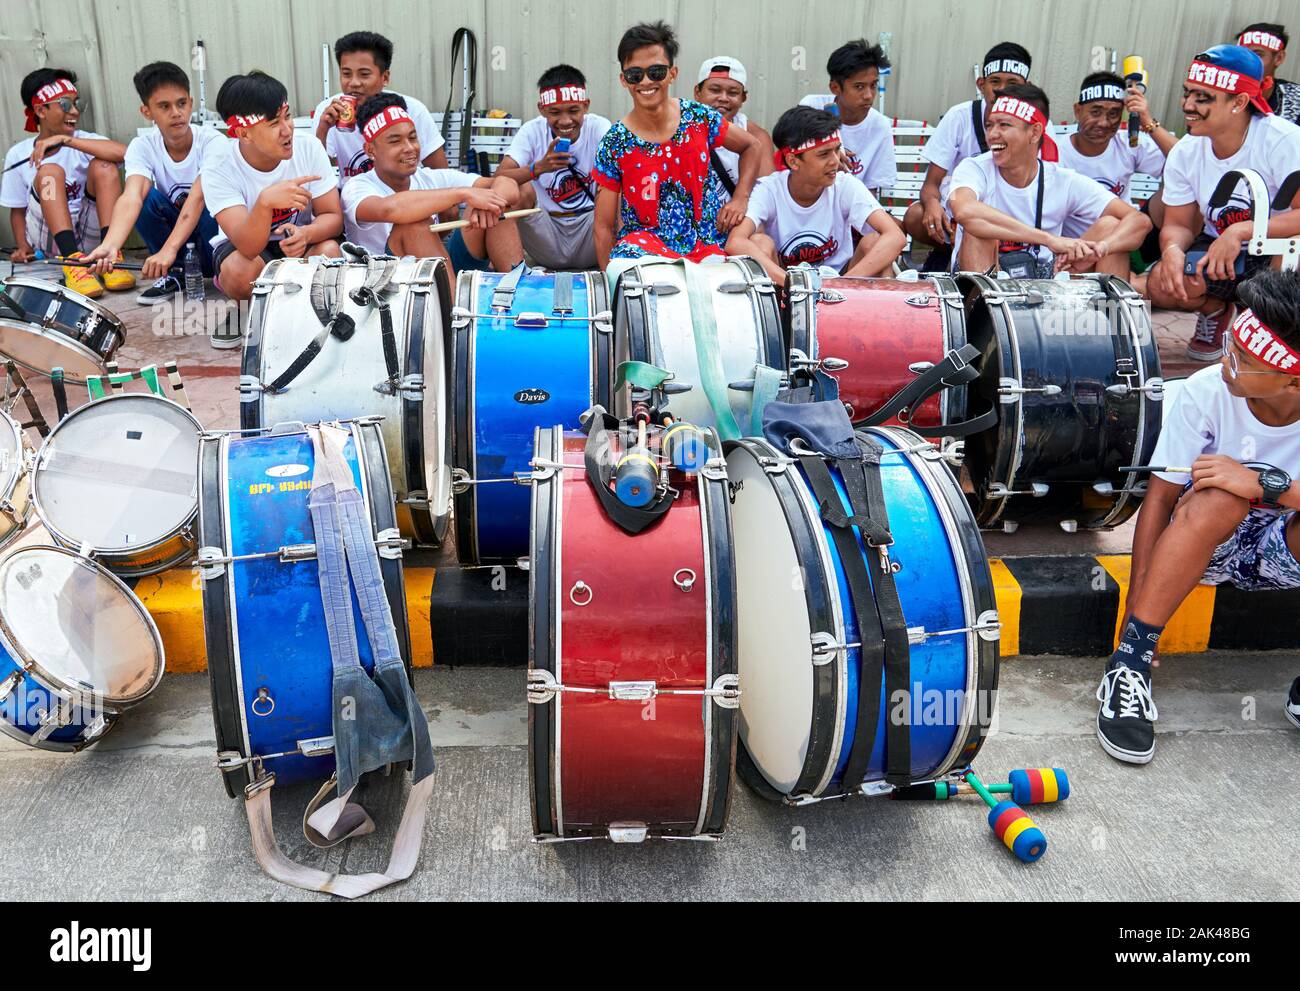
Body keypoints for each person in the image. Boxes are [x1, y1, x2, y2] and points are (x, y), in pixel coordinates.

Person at [1095, 269, 1300, 764]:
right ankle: (1129, 668)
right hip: (1204, 542)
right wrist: (1132, 617)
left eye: (1242, 359)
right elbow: (1159, 501)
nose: (1225, 363)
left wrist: (1267, 484)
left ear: (1291, 379)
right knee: (1219, 494)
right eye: (1229, 345)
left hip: (1280, 549)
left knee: (1237, 484)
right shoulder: (1203, 392)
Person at [1143, 45, 1300, 361]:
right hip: (1219, 248)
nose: (1188, 105)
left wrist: (1242, 231)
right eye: (1187, 94)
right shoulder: (1186, 152)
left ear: (1239, 102)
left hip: (1278, 246)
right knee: (1162, 283)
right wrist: (1172, 251)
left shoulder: (1282, 140)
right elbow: (1178, 224)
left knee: (1287, 271)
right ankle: (1216, 312)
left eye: (1203, 98)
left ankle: (1266, 330)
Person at [593, 21, 762, 268]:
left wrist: (740, 198)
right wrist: (612, 291)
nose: (646, 81)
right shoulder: (615, 142)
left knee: (758, 252)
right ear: (623, 80)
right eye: (635, 75)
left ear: (673, 73)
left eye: (657, 72)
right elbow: (603, 226)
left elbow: (752, 146)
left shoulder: (699, 117)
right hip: (644, 249)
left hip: (710, 241)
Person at [946, 85, 1152, 276]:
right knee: (980, 230)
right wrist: (1048, 240)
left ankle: (1108, 314)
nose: (992, 134)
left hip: (1043, 279)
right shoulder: (973, 168)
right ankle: (986, 315)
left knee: (1111, 226)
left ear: (1035, 132)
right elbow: (965, 212)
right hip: (981, 279)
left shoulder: (1062, 179)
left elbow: (1139, 221)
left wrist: (1100, 249)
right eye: (990, 125)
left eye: (1004, 125)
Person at [83, 61, 223, 304]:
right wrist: (110, 246)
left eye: (181, 103)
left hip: (213, 240)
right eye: (164, 106)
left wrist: (166, 251)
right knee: (145, 198)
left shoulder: (213, 142)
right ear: (146, 111)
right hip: (181, 244)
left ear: (190, 102)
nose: (176, 113)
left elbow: (198, 199)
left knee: (210, 200)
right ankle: (177, 274)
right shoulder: (142, 146)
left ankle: (223, 269)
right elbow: (131, 197)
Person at [200, 71, 343, 302]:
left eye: (287, 116)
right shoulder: (218, 166)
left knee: (329, 252)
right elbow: (247, 247)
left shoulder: (309, 148)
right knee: (239, 271)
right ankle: (247, 314)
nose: (287, 130)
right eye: (274, 123)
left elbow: (333, 217)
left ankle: (304, 314)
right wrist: (265, 202)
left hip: (301, 244)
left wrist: (306, 234)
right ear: (244, 134)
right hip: (248, 250)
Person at [342, 94, 522, 275]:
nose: (410, 148)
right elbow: (391, 209)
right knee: (413, 224)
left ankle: (519, 297)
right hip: (384, 281)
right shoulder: (356, 187)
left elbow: (507, 183)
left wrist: (491, 202)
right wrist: (464, 194)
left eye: (412, 138)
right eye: (395, 141)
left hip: (435, 271)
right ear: (370, 150)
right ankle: (449, 304)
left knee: (495, 205)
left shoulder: (430, 177)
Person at [725, 106, 904, 284]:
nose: (835, 161)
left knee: (875, 241)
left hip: (841, 285)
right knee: (759, 242)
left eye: (836, 150)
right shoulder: (769, 189)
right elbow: (736, 242)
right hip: (787, 289)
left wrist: (841, 284)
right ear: (793, 161)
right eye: (824, 154)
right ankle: (775, 312)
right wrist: (793, 284)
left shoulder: (845, 184)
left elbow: (895, 236)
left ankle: (874, 311)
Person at [2, 68, 131, 298]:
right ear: (40, 110)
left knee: (105, 166)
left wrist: (68, 141)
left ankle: (110, 256)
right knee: (50, 171)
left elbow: (126, 154)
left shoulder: (83, 141)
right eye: (64, 105)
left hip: (92, 238)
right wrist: (23, 246)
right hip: (51, 240)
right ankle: (73, 263)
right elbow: (18, 210)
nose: (74, 111)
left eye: (75, 104)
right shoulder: (18, 153)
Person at [904, 42, 1032, 261]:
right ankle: (950, 253)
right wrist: (933, 206)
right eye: (995, 81)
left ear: (1026, 87)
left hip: (1011, 218)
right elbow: (930, 185)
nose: (1002, 90)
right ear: (981, 84)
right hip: (960, 214)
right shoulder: (959, 117)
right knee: (915, 216)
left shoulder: (1037, 123)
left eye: (1012, 83)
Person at [494, 65, 611, 270]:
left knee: (616, 189)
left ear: (585, 106)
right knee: (515, 189)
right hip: (546, 235)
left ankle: (612, 276)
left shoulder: (600, 128)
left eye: (573, 110)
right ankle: (511, 278)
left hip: (592, 232)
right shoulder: (531, 131)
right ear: (542, 109)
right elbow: (500, 177)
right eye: (555, 112)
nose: (565, 121)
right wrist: (537, 169)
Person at [314, 31, 448, 189]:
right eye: (346, 74)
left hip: (408, 202)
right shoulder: (328, 111)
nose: (354, 83)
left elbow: (440, 174)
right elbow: (317, 176)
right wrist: (323, 130)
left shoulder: (410, 110)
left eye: (364, 74)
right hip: (356, 204)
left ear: (385, 78)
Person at [798, 40, 896, 197]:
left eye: (873, 85)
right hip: (811, 201)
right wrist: (828, 155)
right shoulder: (810, 107)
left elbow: (869, 194)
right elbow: (793, 164)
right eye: (859, 87)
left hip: (853, 208)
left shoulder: (880, 127)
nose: (868, 96)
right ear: (835, 87)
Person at [694, 56, 774, 215]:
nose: (723, 98)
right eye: (715, 90)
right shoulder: (679, 127)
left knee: (760, 240)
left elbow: (765, 194)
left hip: (740, 221)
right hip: (690, 222)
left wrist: (740, 209)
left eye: (733, 93)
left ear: (743, 97)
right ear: (697, 92)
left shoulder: (757, 136)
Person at [1236, 22, 1300, 125]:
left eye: (1258, 55)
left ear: (1279, 58)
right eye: (1243, 54)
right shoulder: (1221, 91)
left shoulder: (1296, 98)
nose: (1247, 61)